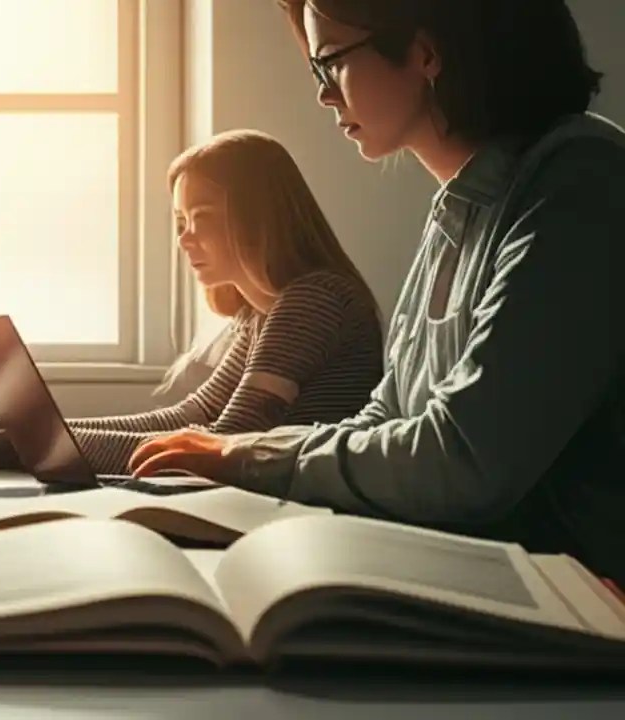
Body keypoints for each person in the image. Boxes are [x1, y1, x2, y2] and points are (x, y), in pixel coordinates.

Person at [130, 0, 625, 584]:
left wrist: (248, 457)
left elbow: (464, 462)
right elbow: (387, 414)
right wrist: (244, 457)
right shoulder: (456, 211)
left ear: (426, 52)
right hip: (477, 574)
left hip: (576, 604)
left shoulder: (579, 179)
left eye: (330, 63)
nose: (324, 95)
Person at [0, 130, 385, 476]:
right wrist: (42, 431)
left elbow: (222, 440)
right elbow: (191, 416)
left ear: (258, 217)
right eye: (180, 222)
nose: (184, 239)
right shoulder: (262, 313)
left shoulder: (314, 300)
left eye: (201, 218)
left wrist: (42, 442)